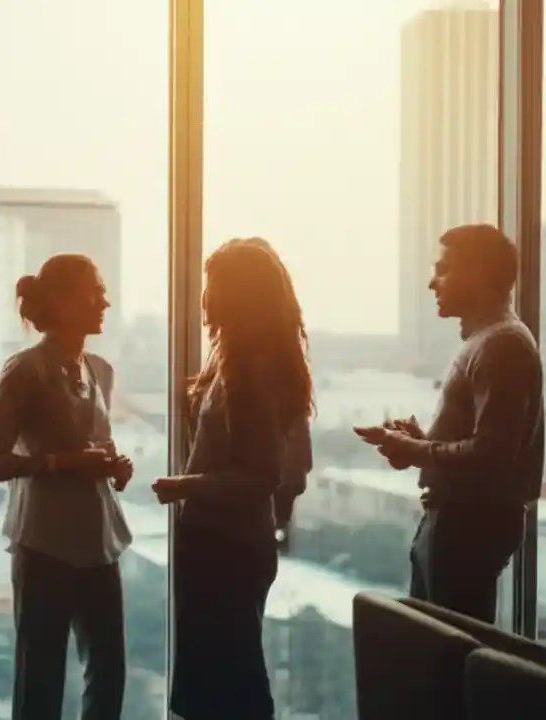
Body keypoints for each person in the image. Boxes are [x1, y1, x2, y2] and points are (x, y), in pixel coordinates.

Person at [152, 238, 314, 719]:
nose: (205, 298)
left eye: (213, 285)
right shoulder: (244, 362)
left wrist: (186, 485)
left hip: (223, 546)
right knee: (224, 672)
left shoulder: (251, 371)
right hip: (228, 543)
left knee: (228, 678)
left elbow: (260, 475)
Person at [355, 224, 542, 624]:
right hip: (460, 520)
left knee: (445, 660)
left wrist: (414, 450)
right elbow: (485, 447)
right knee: (438, 650)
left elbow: (492, 454)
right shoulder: (490, 341)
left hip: (467, 525)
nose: (431, 282)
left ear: (475, 275)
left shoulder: (500, 345)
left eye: (444, 268)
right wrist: (422, 443)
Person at [0, 254, 134, 720]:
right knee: (40, 679)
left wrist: (114, 466)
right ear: (65, 302)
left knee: (109, 671)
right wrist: (60, 463)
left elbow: (98, 444)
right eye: (95, 291)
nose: (105, 301)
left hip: (98, 537)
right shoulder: (25, 370)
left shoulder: (100, 370)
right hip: (44, 542)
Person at [240, 238, 314, 553]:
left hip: (244, 524)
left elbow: (291, 465)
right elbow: (298, 465)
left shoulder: (258, 368)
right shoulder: (285, 363)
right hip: (260, 523)